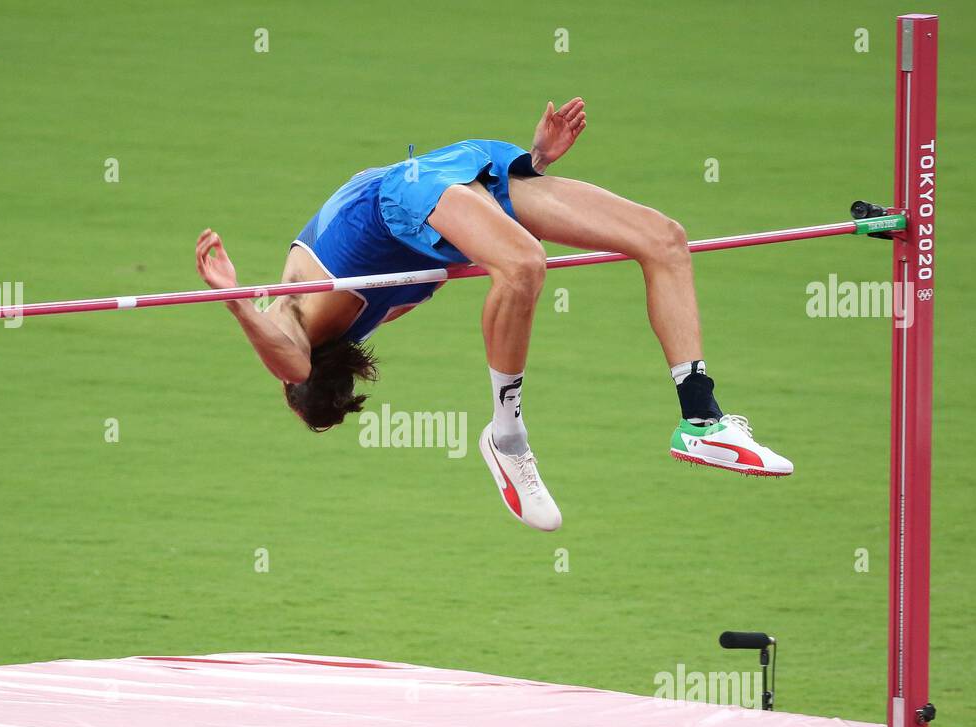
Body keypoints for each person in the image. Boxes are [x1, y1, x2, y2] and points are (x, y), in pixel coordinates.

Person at [196, 98, 792, 532]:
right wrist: (232, 298)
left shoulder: (341, 307)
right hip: (415, 195)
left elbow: (294, 363)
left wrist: (536, 159)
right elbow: (287, 359)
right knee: (525, 267)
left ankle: (701, 418)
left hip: (446, 178)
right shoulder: (299, 315)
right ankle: (507, 437)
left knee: (663, 238)